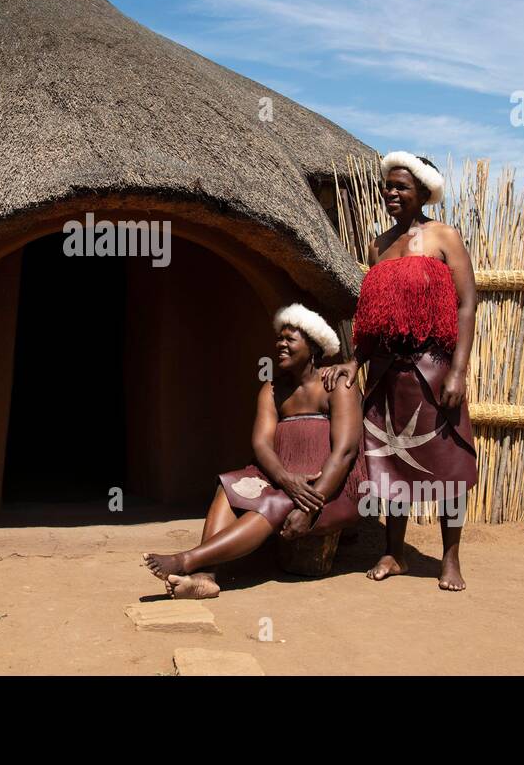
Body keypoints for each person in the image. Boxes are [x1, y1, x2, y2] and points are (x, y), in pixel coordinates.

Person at [322, 151, 477, 591]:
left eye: (400, 187)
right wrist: (355, 360)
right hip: (388, 372)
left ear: (423, 193)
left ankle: (450, 557)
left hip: (434, 369)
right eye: (387, 186)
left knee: (449, 464)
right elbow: (373, 318)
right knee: (390, 463)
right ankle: (394, 553)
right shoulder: (378, 246)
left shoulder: (444, 236)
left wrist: (458, 371)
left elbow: (467, 304)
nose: (390, 192)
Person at [142, 304, 366, 599]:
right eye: (279, 338)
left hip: (328, 490)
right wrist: (285, 479)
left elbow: (345, 452)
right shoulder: (272, 389)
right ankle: (206, 578)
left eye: (290, 339)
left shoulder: (337, 385)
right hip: (280, 480)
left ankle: (186, 560)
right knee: (228, 486)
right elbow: (261, 443)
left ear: (313, 346)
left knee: (273, 503)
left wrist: (308, 506)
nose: (280, 344)